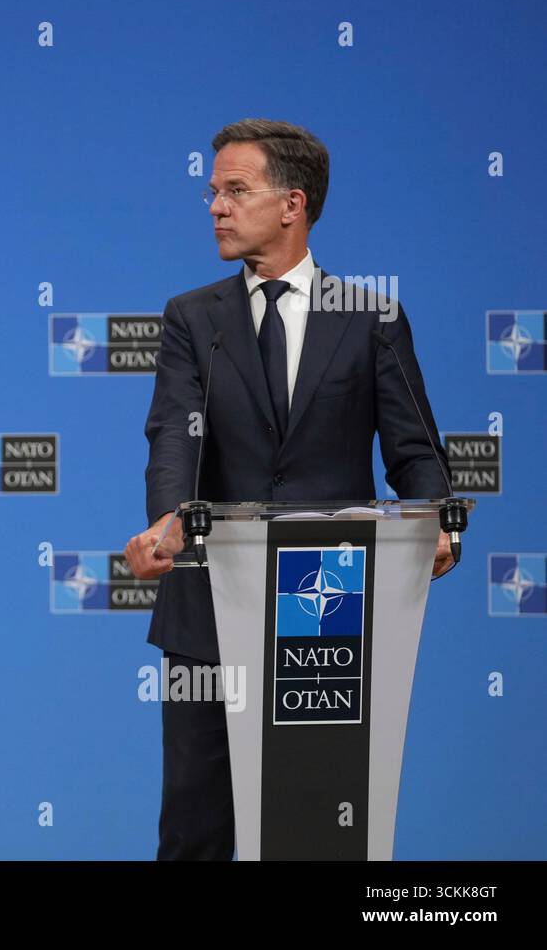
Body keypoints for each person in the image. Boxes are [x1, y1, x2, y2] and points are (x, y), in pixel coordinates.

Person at [122, 119, 453, 860]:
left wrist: (439, 521)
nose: (216, 206)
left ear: (293, 204)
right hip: (210, 606)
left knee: (319, 833)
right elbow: (174, 435)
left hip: (325, 606)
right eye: (213, 192)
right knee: (196, 831)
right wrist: (168, 521)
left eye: (235, 190)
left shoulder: (371, 319)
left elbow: (415, 450)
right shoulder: (191, 318)